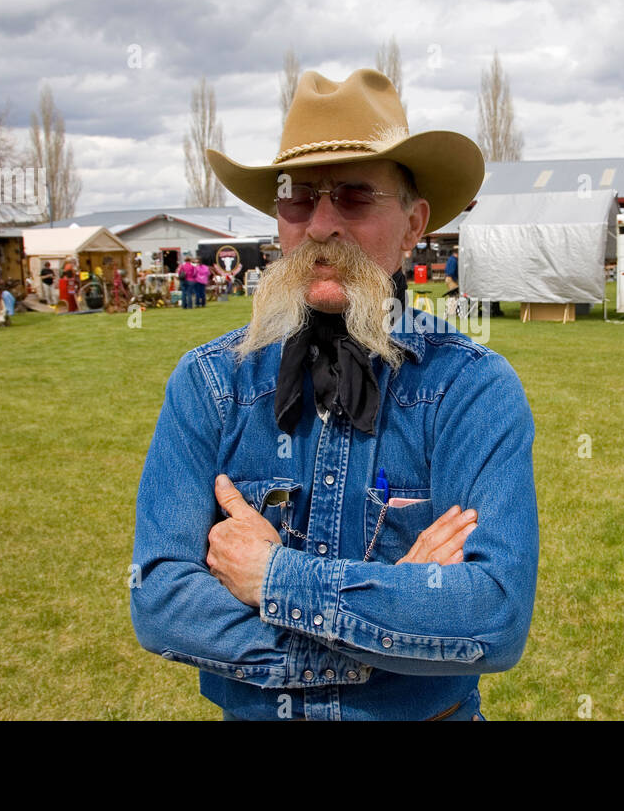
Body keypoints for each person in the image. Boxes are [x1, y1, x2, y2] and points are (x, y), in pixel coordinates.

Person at [131, 68, 537, 721]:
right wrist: (394, 624)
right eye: (297, 199)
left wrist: (271, 579)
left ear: (414, 224)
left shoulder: (473, 391)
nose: (321, 225)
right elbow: (160, 604)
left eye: (353, 197)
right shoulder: (208, 385)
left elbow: (493, 615)